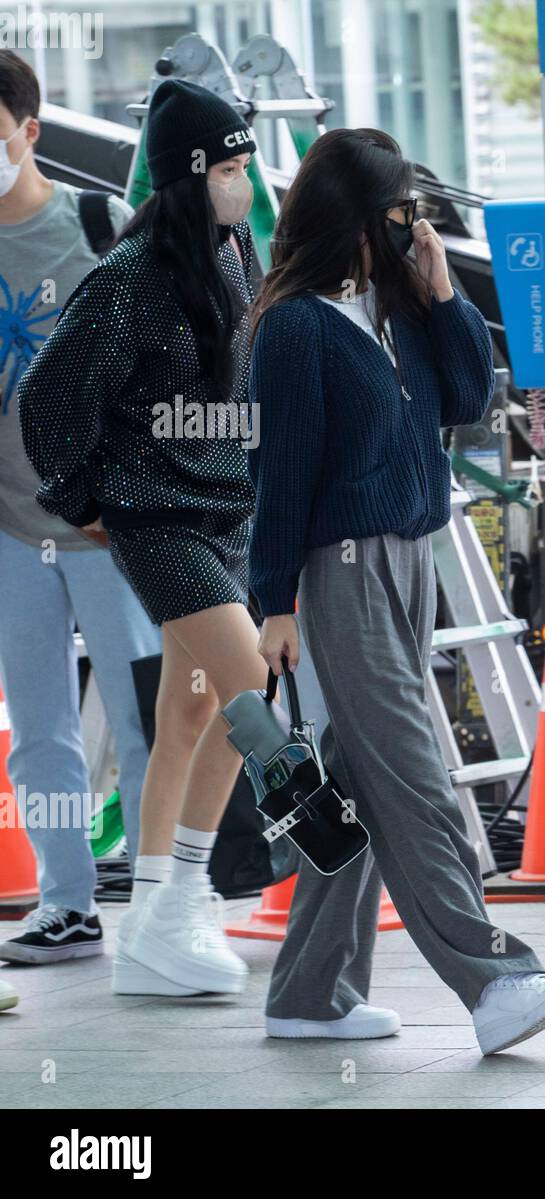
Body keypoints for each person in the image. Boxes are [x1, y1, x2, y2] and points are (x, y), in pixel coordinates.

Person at [246, 128, 545, 1052]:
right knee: (420, 780)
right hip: (342, 571)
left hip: (410, 561)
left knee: (359, 783)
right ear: (355, 216)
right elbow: (280, 475)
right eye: (402, 211)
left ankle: (310, 994)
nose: (414, 225)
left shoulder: (391, 310)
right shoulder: (294, 326)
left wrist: (444, 294)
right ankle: (495, 982)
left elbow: (470, 400)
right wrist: (273, 602)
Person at [18, 78, 268, 997]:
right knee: (252, 689)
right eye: (232, 167)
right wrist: (82, 500)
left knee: (189, 714)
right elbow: (48, 401)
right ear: (189, 175)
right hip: (156, 520)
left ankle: (155, 928)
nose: (245, 181)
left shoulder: (235, 249)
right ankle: (180, 900)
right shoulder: (127, 278)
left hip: (223, 511)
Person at [0, 50, 159, 968]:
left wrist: (125, 492)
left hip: (104, 524)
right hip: (14, 528)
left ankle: (156, 899)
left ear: (31, 130)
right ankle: (66, 902)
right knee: (39, 730)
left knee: (141, 719)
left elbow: (156, 362)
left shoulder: (98, 226)